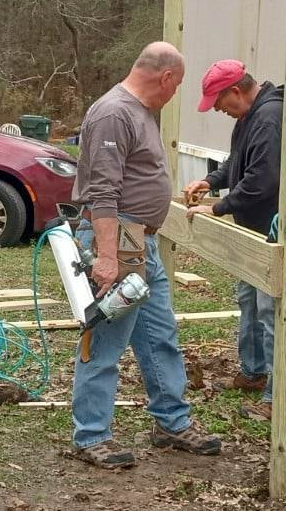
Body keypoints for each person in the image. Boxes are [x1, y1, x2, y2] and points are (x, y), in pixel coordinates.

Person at [69, 42, 224, 469]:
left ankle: (171, 422)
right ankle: (91, 435)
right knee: (105, 340)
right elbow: (102, 191)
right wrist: (106, 257)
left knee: (159, 337)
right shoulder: (114, 113)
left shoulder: (139, 112)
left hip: (140, 241)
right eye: (178, 86)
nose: (176, 95)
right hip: (118, 237)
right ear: (166, 77)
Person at [182, 59, 284, 421]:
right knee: (248, 299)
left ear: (236, 91)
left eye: (220, 102)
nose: (219, 110)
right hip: (251, 227)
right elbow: (237, 162)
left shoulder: (270, 117)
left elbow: (262, 179)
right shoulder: (248, 118)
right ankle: (254, 372)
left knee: (272, 310)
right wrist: (210, 181)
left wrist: (221, 207)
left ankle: (278, 395)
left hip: (274, 227)